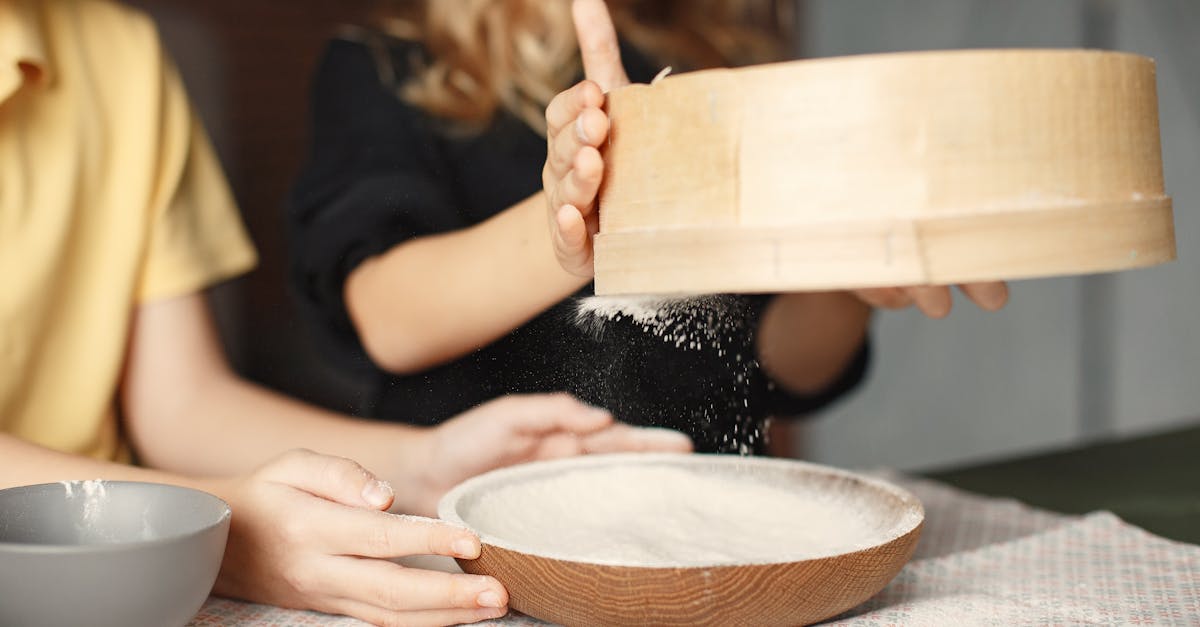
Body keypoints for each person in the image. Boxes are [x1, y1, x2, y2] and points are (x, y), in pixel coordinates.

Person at [0, 2, 691, 626]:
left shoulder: (120, 55)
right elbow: (386, 311)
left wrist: (417, 466)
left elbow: (178, 402)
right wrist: (223, 529)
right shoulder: (372, 69)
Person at [288, 0, 1009, 455]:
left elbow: (781, 364)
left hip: (694, 522)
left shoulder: (718, 63)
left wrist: (850, 283)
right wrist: (574, 228)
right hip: (464, 531)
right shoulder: (380, 67)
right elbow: (391, 318)